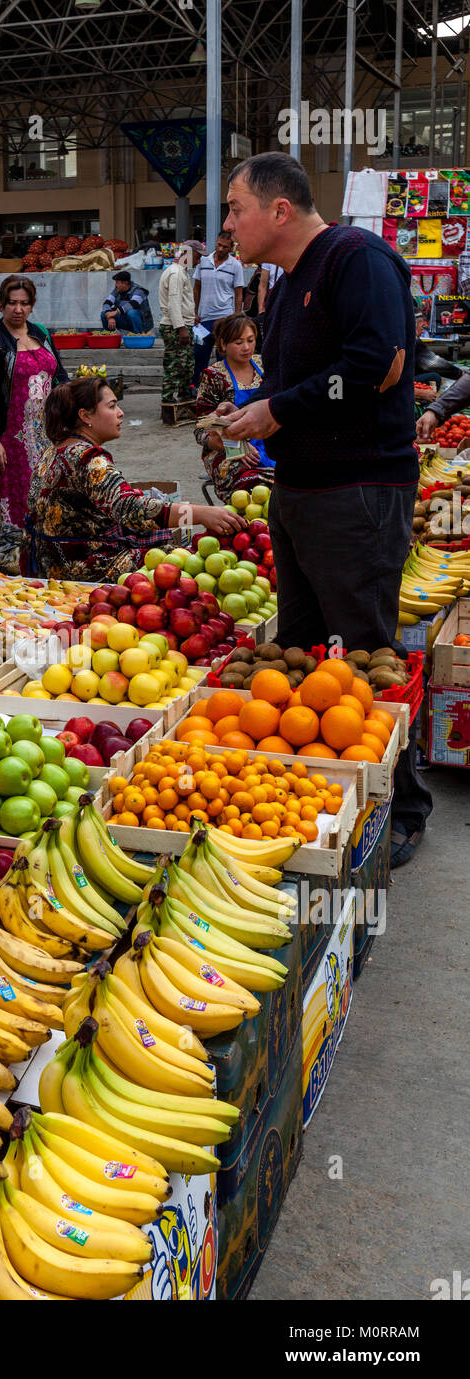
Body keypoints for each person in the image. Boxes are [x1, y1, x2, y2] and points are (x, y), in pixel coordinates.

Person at [220, 150, 431, 865]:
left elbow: (377, 364)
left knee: (367, 650)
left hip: (358, 490)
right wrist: (251, 406)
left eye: (235, 207)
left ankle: (401, 803)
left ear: (280, 210)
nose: (227, 224)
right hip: (301, 492)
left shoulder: (356, 259)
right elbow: (300, 379)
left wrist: (280, 408)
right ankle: (325, 785)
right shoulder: (285, 284)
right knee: (305, 651)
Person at [24, 377, 242, 581]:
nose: (121, 413)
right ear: (86, 416)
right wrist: (200, 514)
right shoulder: (87, 459)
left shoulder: (56, 450)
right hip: (83, 568)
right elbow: (128, 508)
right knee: (186, 563)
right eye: (111, 406)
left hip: (47, 560)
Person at [0, 274, 68, 530]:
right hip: (9, 441)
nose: (18, 309)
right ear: (1, 304)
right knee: (14, 501)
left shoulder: (41, 334)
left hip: (47, 437)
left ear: (32, 305)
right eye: (12, 303)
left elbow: (60, 376)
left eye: (24, 303)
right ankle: (12, 560)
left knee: (48, 499)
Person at [194, 313, 275, 500]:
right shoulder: (213, 376)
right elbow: (201, 429)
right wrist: (236, 447)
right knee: (252, 485)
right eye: (239, 342)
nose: (246, 347)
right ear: (223, 344)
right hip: (228, 449)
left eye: (250, 340)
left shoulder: (265, 366)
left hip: (268, 442)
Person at [192, 230, 245, 384]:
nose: (221, 249)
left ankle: (225, 390)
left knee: (224, 358)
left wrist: (236, 316)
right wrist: (194, 312)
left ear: (231, 248)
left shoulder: (235, 265)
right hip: (203, 320)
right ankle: (197, 388)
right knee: (199, 356)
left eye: (225, 247)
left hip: (225, 319)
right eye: (219, 245)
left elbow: (239, 293)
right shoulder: (203, 261)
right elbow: (196, 288)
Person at [158, 247, 195, 406]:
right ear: (187, 256)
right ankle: (168, 399)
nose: (199, 261)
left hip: (183, 324)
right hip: (175, 327)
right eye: (197, 256)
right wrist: (181, 328)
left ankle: (184, 396)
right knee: (176, 366)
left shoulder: (181, 271)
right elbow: (174, 302)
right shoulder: (176, 273)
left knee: (186, 365)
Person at [101, 270, 154, 334]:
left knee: (132, 312)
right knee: (104, 314)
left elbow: (133, 303)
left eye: (117, 283)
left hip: (141, 322)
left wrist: (115, 312)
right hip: (126, 320)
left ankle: (139, 335)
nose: (115, 285)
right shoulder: (117, 290)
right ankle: (110, 336)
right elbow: (107, 303)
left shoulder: (139, 290)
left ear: (125, 283)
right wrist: (110, 317)